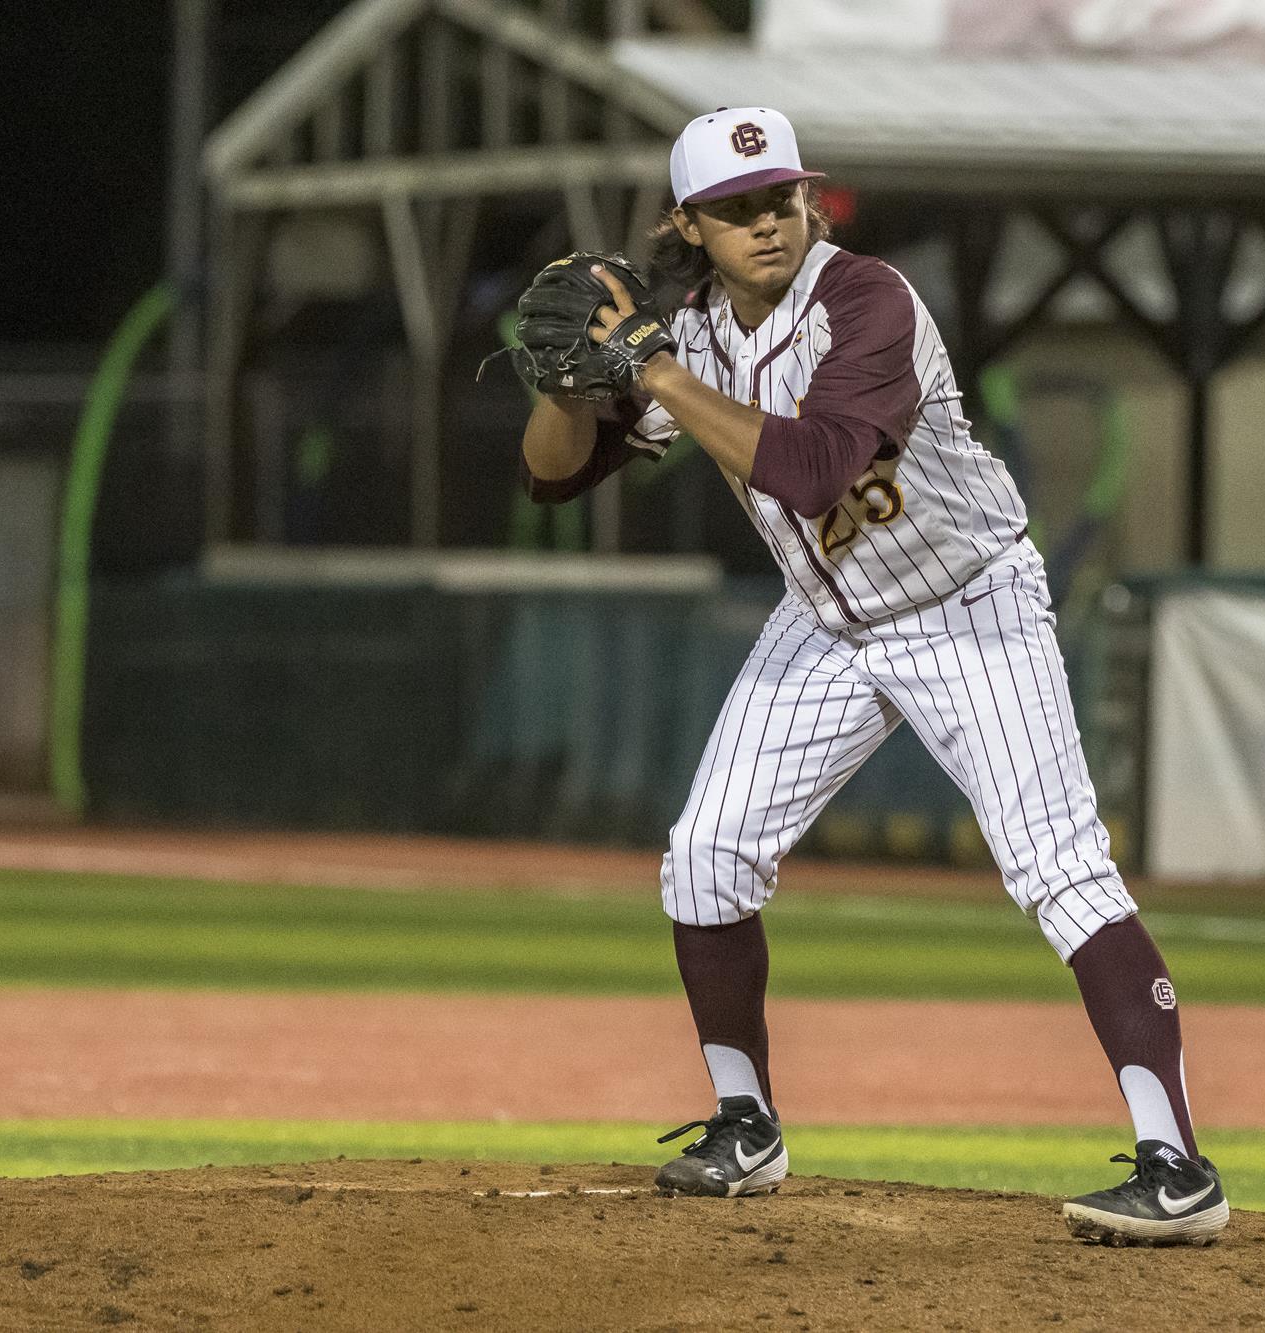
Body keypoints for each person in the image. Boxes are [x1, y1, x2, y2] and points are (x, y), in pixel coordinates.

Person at [513, 107, 1228, 1244]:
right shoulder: (687, 332)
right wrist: (566, 385)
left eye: (780, 199)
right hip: (831, 619)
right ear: (688, 226)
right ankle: (744, 1126)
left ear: (809, 202)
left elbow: (810, 468)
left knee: (1060, 872)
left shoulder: (865, 301)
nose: (766, 222)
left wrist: (642, 362)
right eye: (736, 208)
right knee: (704, 857)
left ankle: (1177, 1165)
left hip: (968, 604)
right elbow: (556, 478)